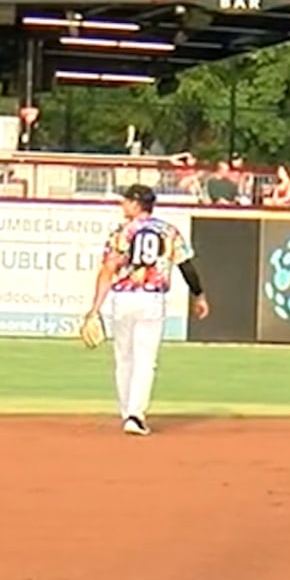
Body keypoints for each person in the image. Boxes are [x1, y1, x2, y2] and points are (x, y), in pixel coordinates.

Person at [84, 185, 210, 435]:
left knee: (123, 357)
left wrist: (94, 308)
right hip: (151, 299)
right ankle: (135, 414)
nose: (123, 204)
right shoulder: (168, 231)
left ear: (136, 203)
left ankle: (126, 412)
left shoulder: (122, 232)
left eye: (126, 200)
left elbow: (108, 269)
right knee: (145, 359)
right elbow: (186, 266)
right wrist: (199, 295)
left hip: (123, 297)